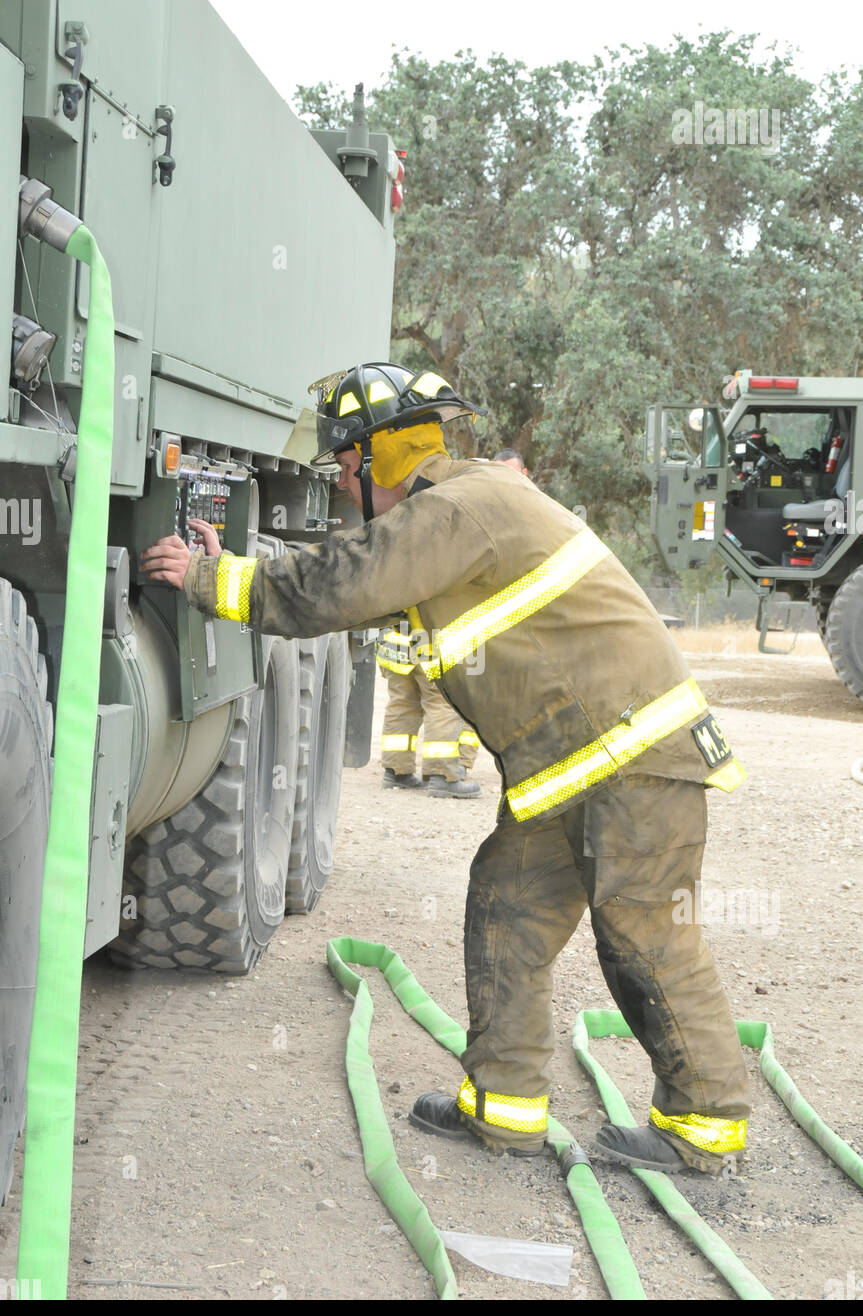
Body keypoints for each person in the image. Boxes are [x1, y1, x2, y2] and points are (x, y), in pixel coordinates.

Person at [141, 361, 750, 1174]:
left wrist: (214, 579)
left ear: (382, 455)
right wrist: (238, 566)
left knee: (645, 941)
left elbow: (342, 584)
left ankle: (702, 1127)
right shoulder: (462, 508)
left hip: (631, 759)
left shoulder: (456, 507)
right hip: (576, 768)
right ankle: (503, 1112)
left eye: (348, 464)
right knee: (506, 909)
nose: (344, 482)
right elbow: (367, 573)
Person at [375, 622, 481, 796]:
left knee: (402, 704)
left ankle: (397, 772)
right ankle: (442, 777)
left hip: (395, 639)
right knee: (442, 703)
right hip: (433, 639)